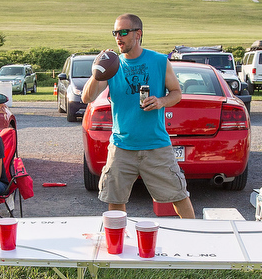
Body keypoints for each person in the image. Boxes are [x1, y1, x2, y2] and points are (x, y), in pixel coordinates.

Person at [82, 14, 195, 218]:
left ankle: (197, 238)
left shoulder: (159, 61)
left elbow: (176, 94)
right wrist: (97, 70)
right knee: (115, 200)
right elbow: (86, 97)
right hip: (121, 146)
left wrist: (161, 101)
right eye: (115, 33)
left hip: (156, 145)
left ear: (138, 34)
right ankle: (118, 245)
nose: (118, 37)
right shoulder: (112, 66)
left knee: (179, 195)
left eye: (124, 32)